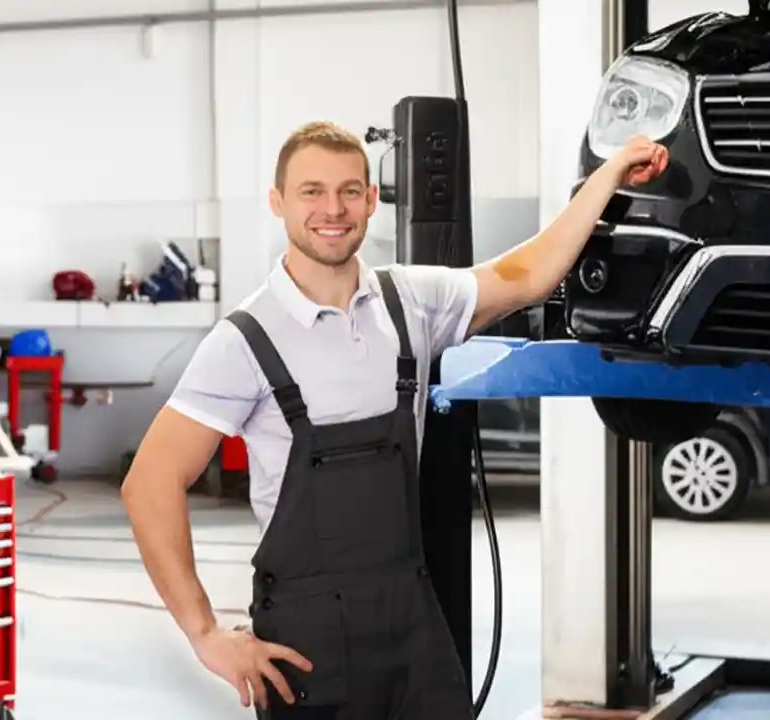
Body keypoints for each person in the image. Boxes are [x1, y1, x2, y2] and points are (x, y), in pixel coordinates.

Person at [122, 121, 669, 718]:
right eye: (311, 191)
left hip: (412, 618)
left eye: (349, 191)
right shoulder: (244, 341)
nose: (333, 209)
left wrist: (606, 177)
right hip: (309, 641)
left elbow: (531, 274)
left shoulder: (411, 300)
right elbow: (150, 482)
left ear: (371, 200)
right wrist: (205, 635)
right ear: (277, 202)